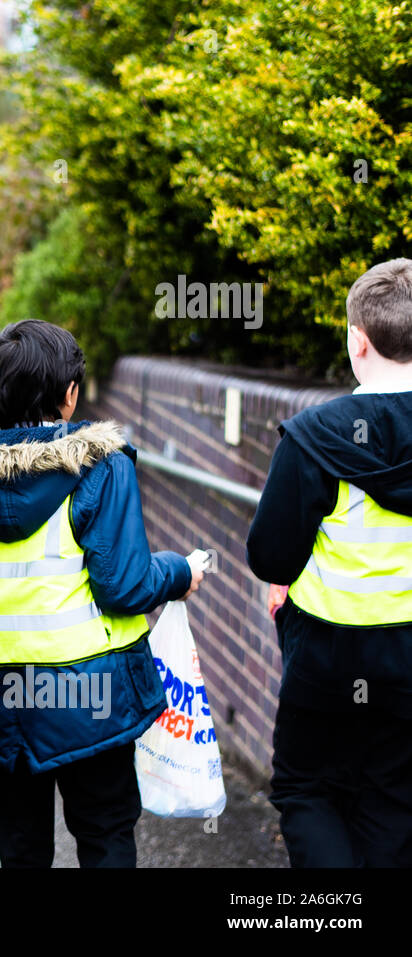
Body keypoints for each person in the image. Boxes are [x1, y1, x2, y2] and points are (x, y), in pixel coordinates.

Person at [0, 318, 201, 868]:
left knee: (22, 844)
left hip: (5, 696)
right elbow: (124, 585)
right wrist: (178, 572)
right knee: (104, 836)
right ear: (70, 394)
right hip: (93, 695)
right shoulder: (100, 467)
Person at [247, 258, 412, 868]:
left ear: (357, 340)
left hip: (327, 654)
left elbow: (270, 553)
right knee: (396, 799)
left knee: (308, 789)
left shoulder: (318, 434)